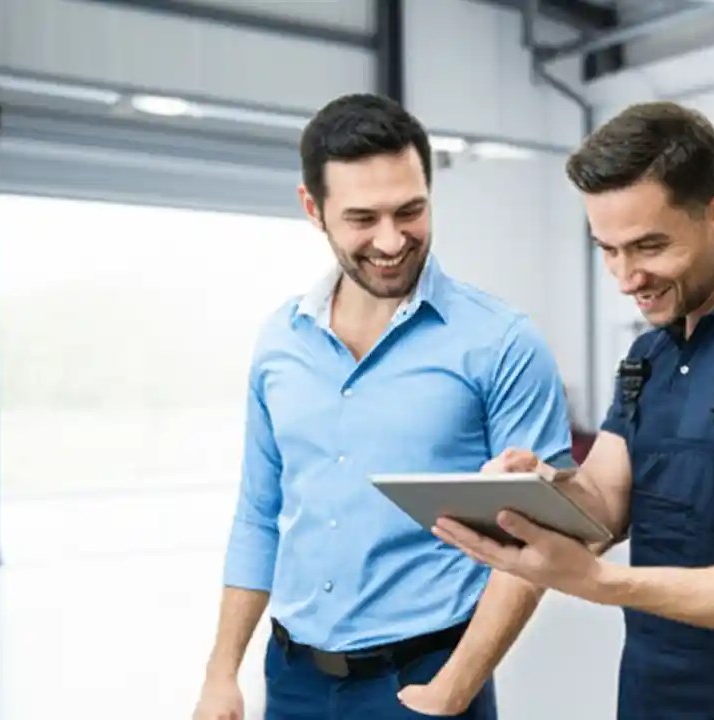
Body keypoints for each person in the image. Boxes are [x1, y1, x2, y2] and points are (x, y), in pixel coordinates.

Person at [434, 101, 714, 719]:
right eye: (608, 249)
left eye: (649, 245)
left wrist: (602, 585)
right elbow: (603, 503)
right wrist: (541, 493)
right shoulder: (650, 356)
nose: (627, 277)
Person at [192, 94, 573, 720]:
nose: (392, 241)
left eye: (411, 211)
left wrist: (454, 688)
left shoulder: (502, 342)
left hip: (425, 676)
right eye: (362, 218)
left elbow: (538, 535)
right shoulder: (280, 342)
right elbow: (259, 514)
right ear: (313, 209)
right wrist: (221, 672)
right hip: (292, 680)